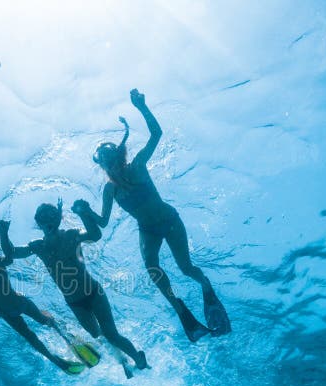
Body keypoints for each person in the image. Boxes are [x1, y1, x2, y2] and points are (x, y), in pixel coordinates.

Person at [86, 89, 231, 341]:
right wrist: (85, 212)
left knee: (185, 268)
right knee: (151, 267)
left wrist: (142, 107)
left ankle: (206, 286)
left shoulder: (138, 164)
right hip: (148, 230)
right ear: (103, 166)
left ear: (119, 155)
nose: (110, 164)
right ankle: (179, 308)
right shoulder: (110, 190)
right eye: (105, 161)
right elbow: (103, 222)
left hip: (169, 221)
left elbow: (156, 134)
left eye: (112, 158)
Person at [0, 201, 148, 373]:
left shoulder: (71, 234)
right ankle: (121, 359)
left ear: (59, 218)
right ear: (38, 223)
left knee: (111, 333)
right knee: (96, 334)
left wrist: (83, 214)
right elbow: (12, 253)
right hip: (75, 302)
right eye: (44, 218)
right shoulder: (38, 246)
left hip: (94, 293)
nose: (49, 221)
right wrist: (3, 235)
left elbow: (95, 234)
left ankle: (138, 359)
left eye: (52, 216)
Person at [0, 223, 86, 375]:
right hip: (6, 313)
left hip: (20, 302)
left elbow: (10, 257)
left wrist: (4, 234)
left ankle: (71, 339)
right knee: (30, 337)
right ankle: (57, 361)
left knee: (46, 321)